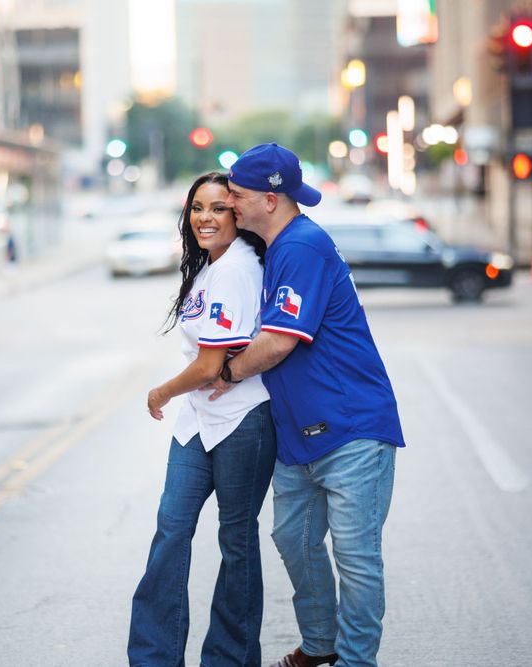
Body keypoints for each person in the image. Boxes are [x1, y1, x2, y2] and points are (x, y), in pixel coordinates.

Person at [207, 144, 405, 667]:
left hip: (351, 428)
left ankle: (356, 660)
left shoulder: (301, 246)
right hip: (299, 435)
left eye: (239, 196)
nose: (230, 204)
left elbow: (278, 343)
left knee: (356, 558)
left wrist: (222, 373)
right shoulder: (276, 249)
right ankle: (321, 646)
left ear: (271, 200)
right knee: (292, 537)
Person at [128, 172, 278, 667]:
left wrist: (161, 392)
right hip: (198, 423)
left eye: (217, 208)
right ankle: (154, 657)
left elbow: (210, 365)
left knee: (236, 541)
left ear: (237, 214)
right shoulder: (207, 268)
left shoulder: (237, 268)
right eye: (197, 208)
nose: (204, 218)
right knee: (171, 531)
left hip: (242, 421)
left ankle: (230, 659)